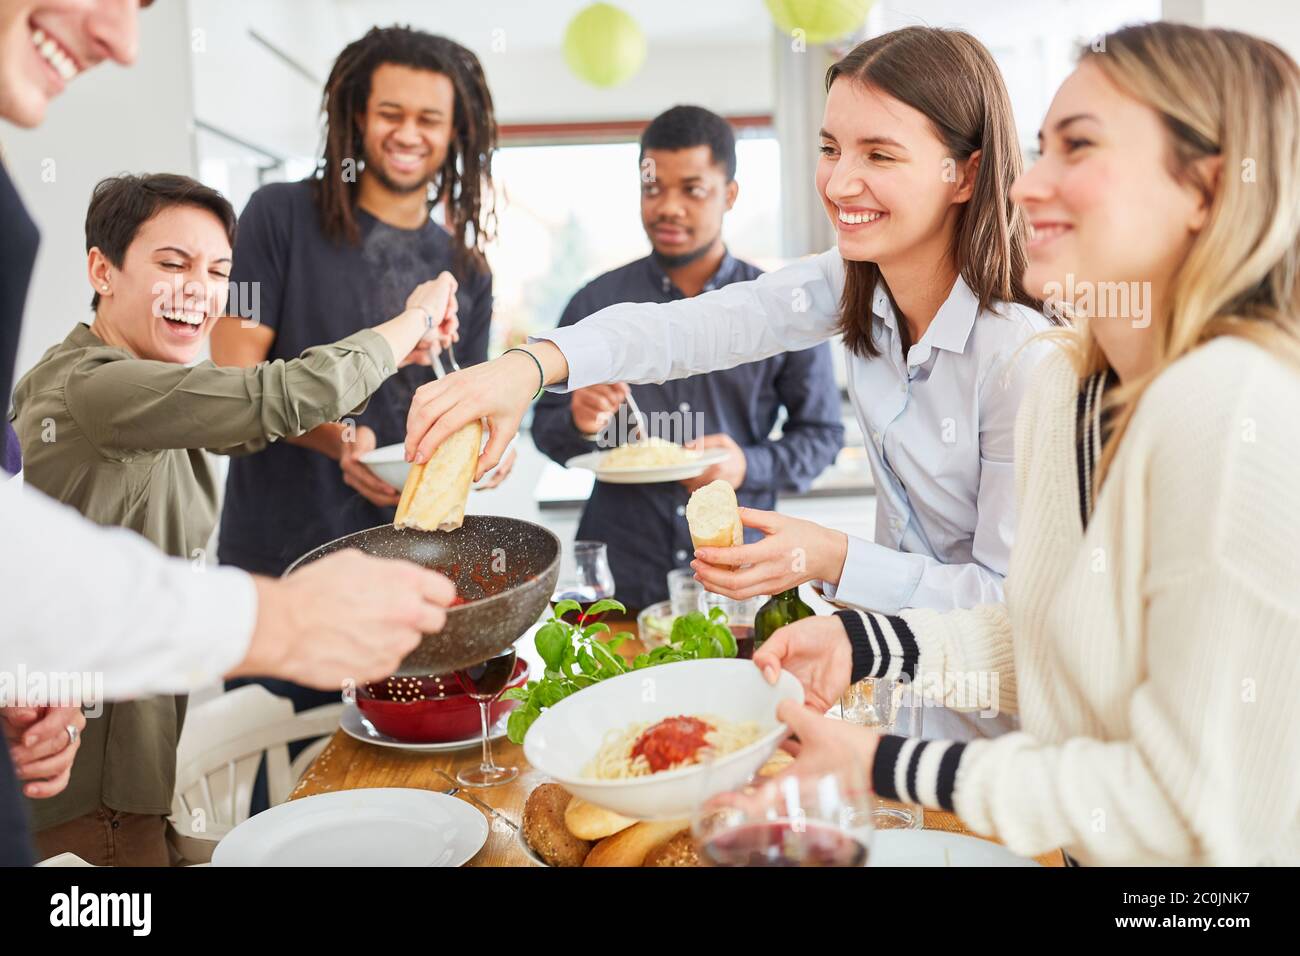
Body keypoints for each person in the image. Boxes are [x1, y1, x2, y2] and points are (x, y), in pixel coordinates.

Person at [403, 27, 1053, 741]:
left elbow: (1008, 601)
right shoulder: (854, 285)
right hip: (895, 697)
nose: (838, 184)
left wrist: (830, 554)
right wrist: (528, 367)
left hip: (1002, 734)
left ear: (963, 173)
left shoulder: (1022, 357)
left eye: (880, 154)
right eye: (830, 148)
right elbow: (685, 328)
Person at [754, 22, 1300, 866]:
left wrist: (889, 766)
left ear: (1206, 188)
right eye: (1039, 148)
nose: (1026, 185)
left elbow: (1191, 812)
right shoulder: (1068, 388)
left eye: (1076, 148)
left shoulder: (1230, 407)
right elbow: (1051, 640)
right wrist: (868, 643)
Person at [0, 0, 454, 867]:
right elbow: (268, 399)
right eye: (170, 265)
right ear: (102, 271)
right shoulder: (95, 389)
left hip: (133, 797)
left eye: (217, 273)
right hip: (77, 809)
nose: (199, 293)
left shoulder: (155, 393)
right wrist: (405, 328)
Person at [209, 25, 508, 724]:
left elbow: (459, 399)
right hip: (279, 561)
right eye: (390, 114)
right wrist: (335, 438)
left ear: (456, 131)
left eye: (429, 119)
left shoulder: (464, 269)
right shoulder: (278, 217)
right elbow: (229, 381)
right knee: (281, 790)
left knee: (406, 781)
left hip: (410, 572)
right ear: (354, 117)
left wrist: (482, 441)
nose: (409, 134)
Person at [530, 105, 842, 610]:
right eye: (653, 188)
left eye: (692, 190)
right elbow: (546, 431)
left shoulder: (781, 305)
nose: (668, 206)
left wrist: (747, 466)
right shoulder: (595, 302)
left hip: (740, 568)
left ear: (729, 195)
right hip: (621, 575)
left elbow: (822, 436)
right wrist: (580, 420)